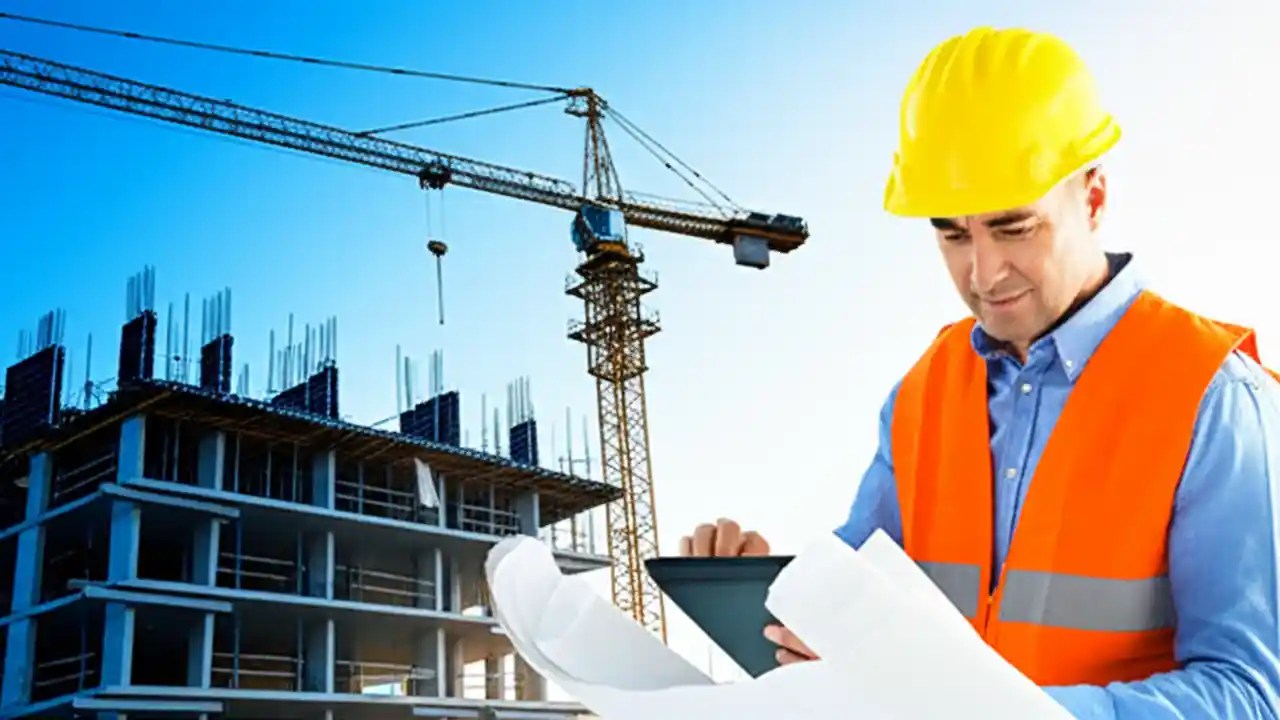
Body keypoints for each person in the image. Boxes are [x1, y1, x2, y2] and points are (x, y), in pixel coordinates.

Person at [680, 25, 1280, 719]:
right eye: (952, 234)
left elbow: (1252, 694)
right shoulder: (921, 394)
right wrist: (780, 601)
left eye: (1013, 228)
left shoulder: (1213, 396)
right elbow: (853, 614)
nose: (983, 273)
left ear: (1092, 198)